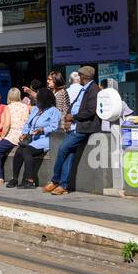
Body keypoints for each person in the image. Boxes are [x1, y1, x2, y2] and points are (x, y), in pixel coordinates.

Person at [44, 64, 99, 195]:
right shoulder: (84, 89)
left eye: (80, 75)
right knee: (69, 154)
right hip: (74, 125)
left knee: (63, 148)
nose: (78, 77)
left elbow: (90, 111)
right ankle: (64, 185)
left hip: (83, 127)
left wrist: (73, 117)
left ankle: (55, 180)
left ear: (85, 77)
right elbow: (73, 105)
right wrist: (68, 119)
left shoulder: (94, 90)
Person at [7, 87, 62, 187]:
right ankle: (14, 178)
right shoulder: (36, 109)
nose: (36, 99)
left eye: (38, 98)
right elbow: (28, 123)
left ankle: (29, 180)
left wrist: (42, 129)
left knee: (26, 151)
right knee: (19, 150)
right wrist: (24, 133)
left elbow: (54, 127)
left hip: (45, 140)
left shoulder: (54, 111)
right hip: (32, 139)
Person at [0, 87, 31, 183]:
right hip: (24, 135)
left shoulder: (8, 107)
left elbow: (6, 125)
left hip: (13, 136)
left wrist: (2, 136)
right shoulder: (26, 106)